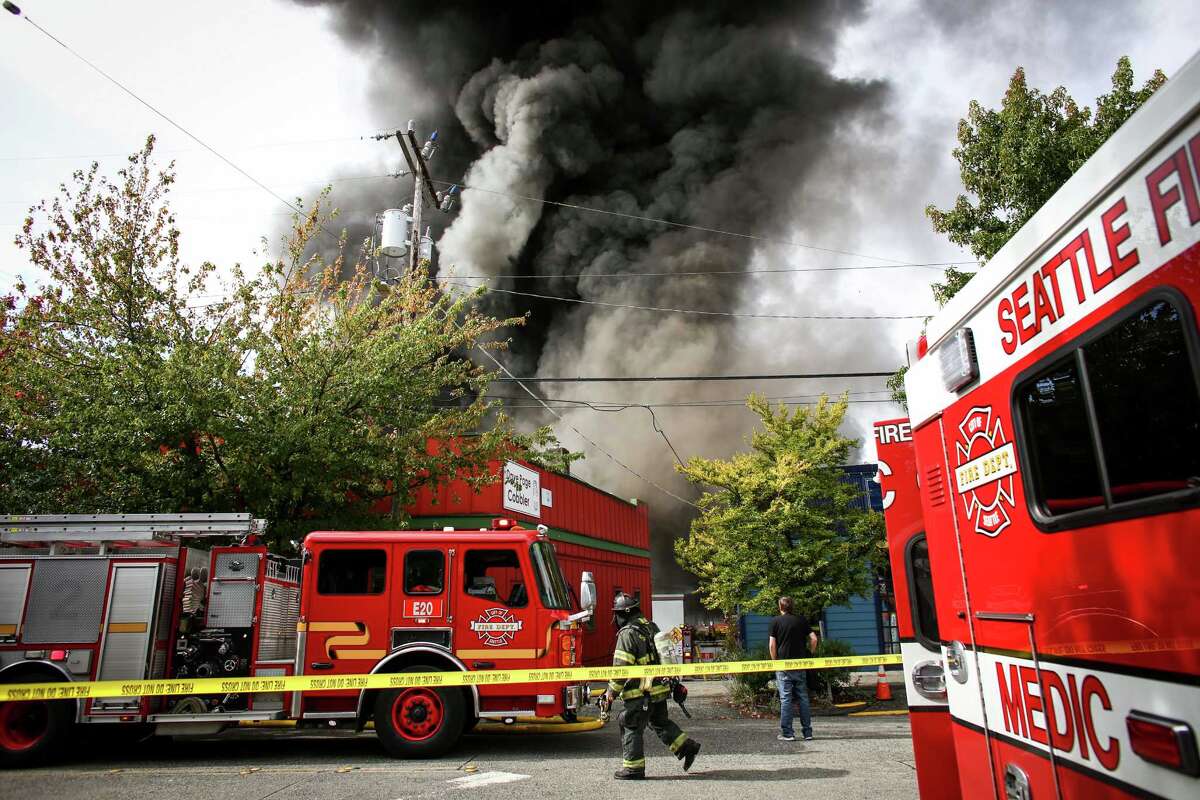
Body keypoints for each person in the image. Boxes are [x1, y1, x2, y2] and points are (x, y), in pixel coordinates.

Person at [604, 593, 701, 779]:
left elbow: (621, 669)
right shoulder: (651, 626)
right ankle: (687, 747)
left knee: (630, 724)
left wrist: (610, 692)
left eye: (616, 614)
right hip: (659, 689)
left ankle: (633, 769)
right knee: (660, 722)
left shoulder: (627, 633)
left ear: (623, 614)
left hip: (640, 692)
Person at [769, 596, 818, 742]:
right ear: (792, 607)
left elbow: (772, 645)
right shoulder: (801, 620)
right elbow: (814, 639)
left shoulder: (775, 621)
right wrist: (810, 653)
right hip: (800, 664)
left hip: (783, 665)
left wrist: (774, 661)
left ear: (780, 607)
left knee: (786, 699)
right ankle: (807, 732)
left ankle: (788, 733)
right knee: (803, 698)